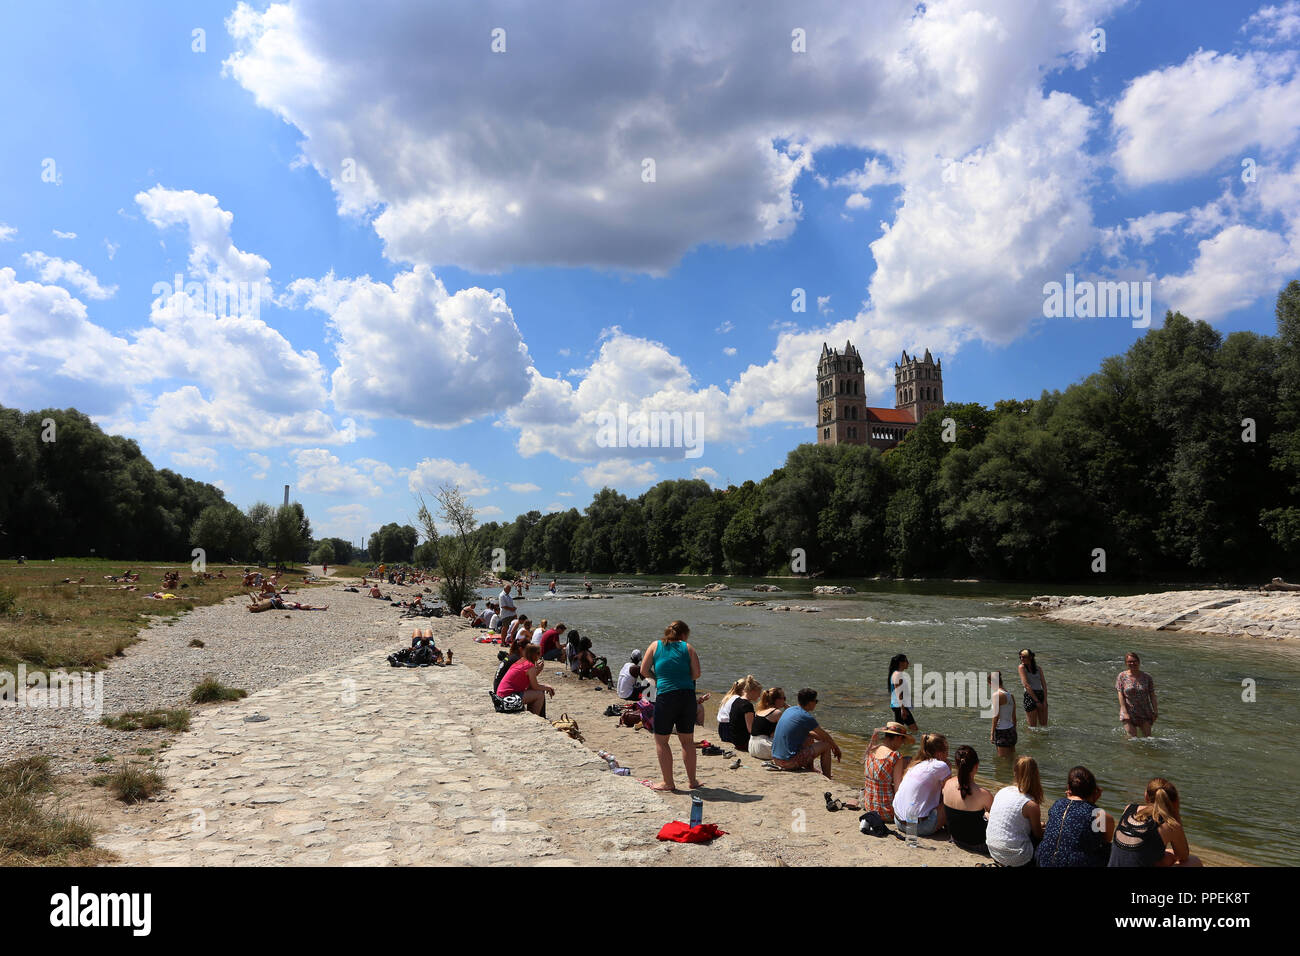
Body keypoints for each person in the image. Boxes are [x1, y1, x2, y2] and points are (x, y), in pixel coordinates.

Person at [641, 620, 703, 792]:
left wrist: (658, 680)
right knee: (687, 741)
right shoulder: (688, 648)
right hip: (686, 696)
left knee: (661, 741)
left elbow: (644, 670)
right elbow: (697, 673)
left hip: (666, 696)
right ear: (683, 634)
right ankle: (692, 781)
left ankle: (668, 782)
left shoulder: (655, 646)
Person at [1109, 778, 1202, 867]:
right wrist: (1176, 812)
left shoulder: (1129, 809)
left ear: (1146, 796)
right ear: (1175, 801)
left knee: (1166, 855)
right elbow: (1183, 856)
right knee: (1194, 862)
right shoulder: (1170, 825)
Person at [1036, 766, 1115, 867]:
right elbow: (1105, 841)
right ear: (1094, 790)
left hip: (1044, 860)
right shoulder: (1099, 815)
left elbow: (1072, 814)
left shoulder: (1058, 804)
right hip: (1072, 863)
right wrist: (1092, 804)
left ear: (1069, 788)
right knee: (1107, 848)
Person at [986, 756, 1045, 867]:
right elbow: (1038, 835)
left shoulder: (1002, 791)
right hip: (1017, 856)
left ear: (1014, 773)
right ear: (1036, 775)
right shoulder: (1031, 804)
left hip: (993, 849)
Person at [771, 688, 841, 778]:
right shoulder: (806, 717)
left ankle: (810, 767)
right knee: (826, 745)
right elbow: (824, 735)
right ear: (810, 702)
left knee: (808, 737)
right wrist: (836, 748)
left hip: (776, 759)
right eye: (816, 701)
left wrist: (820, 738)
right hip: (788, 763)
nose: (816, 703)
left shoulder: (790, 710)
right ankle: (827, 777)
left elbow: (812, 734)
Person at [894, 733, 951, 837]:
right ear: (939, 753)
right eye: (946, 751)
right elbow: (949, 792)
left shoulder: (916, 764)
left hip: (898, 822)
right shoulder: (940, 765)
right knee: (951, 800)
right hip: (919, 828)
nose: (948, 755)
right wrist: (949, 769)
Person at [942, 745, 994, 853]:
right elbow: (998, 821)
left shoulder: (947, 784)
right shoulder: (983, 794)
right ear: (976, 766)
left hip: (956, 839)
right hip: (978, 844)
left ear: (956, 765)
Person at [862, 721, 914, 824]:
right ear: (897, 738)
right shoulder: (895, 756)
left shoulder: (872, 750)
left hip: (869, 806)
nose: (903, 743)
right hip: (886, 812)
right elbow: (898, 789)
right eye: (902, 740)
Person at [496, 644, 554, 716]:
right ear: (534, 654)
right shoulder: (530, 666)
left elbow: (529, 681)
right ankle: (535, 717)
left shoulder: (521, 661)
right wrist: (548, 687)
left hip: (502, 695)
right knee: (539, 695)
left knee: (536, 692)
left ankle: (533, 714)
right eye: (539, 653)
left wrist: (538, 670)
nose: (540, 655)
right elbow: (535, 686)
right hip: (508, 698)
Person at [1116, 652, 1157, 737]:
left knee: (1148, 738)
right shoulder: (1122, 676)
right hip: (1128, 710)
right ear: (1126, 663)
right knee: (1132, 738)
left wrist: (1155, 711)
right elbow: (1120, 694)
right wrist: (1124, 711)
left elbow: (1152, 695)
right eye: (1129, 662)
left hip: (1144, 711)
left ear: (1139, 662)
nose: (1132, 663)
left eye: (1134, 661)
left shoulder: (1147, 677)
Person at [747, 687, 785, 759]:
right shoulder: (777, 712)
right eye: (784, 698)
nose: (784, 701)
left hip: (752, 747)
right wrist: (789, 710)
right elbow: (782, 732)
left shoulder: (760, 711)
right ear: (777, 700)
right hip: (763, 748)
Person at [727, 676, 762, 754]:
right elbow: (751, 729)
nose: (759, 696)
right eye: (758, 693)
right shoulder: (747, 705)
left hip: (735, 740)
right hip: (743, 743)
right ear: (752, 691)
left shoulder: (737, 700)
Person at [1018, 648, 1048, 728]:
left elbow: (1044, 685)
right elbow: (1026, 685)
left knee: (1044, 725)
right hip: (1030, 696)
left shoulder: (1038, 669)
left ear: (1030, 657)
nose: (1021, 659)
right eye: (1020, 657)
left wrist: (1045, 701)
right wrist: (1037, 702)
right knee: (1032, 727)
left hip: (1040, 694)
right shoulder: (1022, 667)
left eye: (1024, 657)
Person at [989, 671, 1017, 756]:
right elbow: (1014, 718)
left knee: (1002, 762)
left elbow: (995, 716)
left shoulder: (996, 695)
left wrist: (992, 733)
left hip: (1002, 731)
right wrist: (1014, 730)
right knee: (1011, 758)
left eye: (989, 684)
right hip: (1011, 730)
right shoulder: (1010, 695)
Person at [887, 654, 917, 731]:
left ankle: (892, 740)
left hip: (898, 706)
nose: (908, 663)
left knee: (899, 730)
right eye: (906, 661)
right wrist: (903, 709)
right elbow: (898, 692)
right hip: (899, 706)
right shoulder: (897, 675)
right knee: (914, 729)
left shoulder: (897, 674)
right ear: (901, 663)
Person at [716, 677, 746, 743]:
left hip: (721, 730)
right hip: (729, 731)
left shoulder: (728, 696)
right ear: (745, 690)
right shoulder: (738, 699)